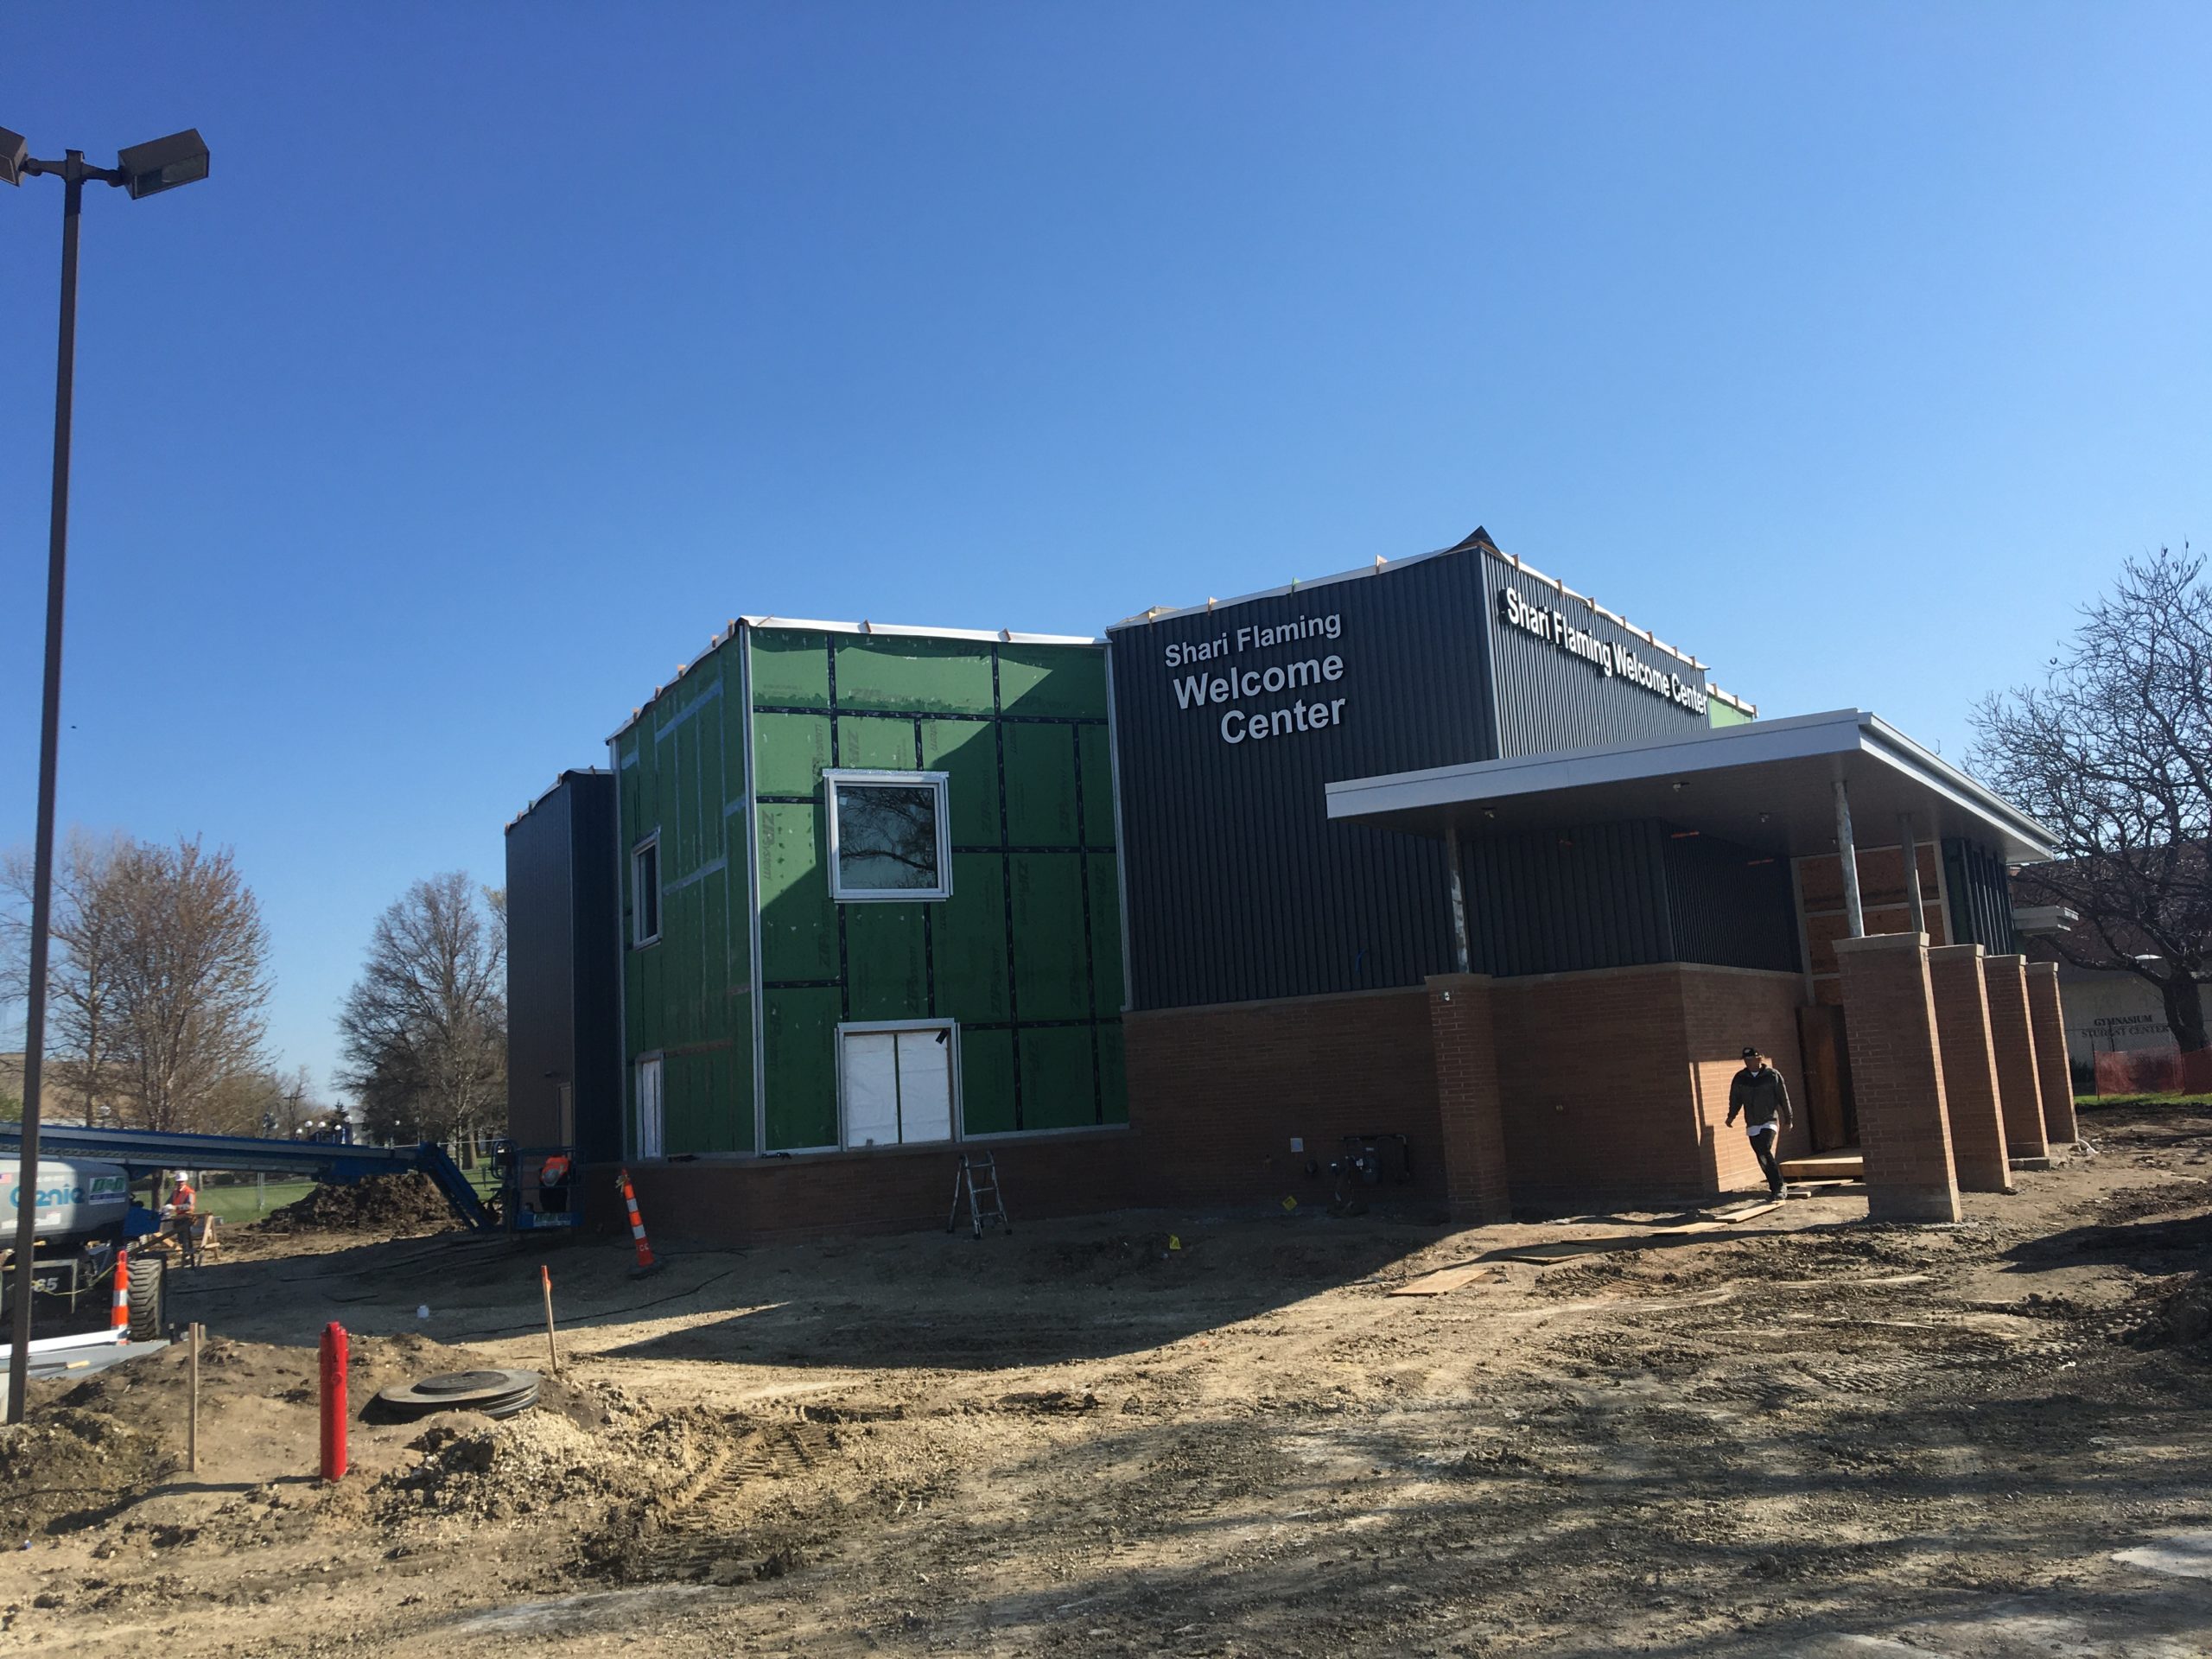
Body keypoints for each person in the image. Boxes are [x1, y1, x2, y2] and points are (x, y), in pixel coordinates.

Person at [1726, 1047, 1795, 1198]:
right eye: (1745, 1060)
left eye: (1750, 1059)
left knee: (1764, 1149)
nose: (1748, 1062)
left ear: (1759, 1059)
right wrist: (1731, 1116)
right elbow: (1735, 1099)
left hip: (1769, 1120)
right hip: (1752, 1123)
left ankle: (1779, 1187)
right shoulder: (1740, 1078)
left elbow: (1784, 1097)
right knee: (1761, 1156)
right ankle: (1774, 1188)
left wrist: (1788, 1118)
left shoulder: (1772, 1075)